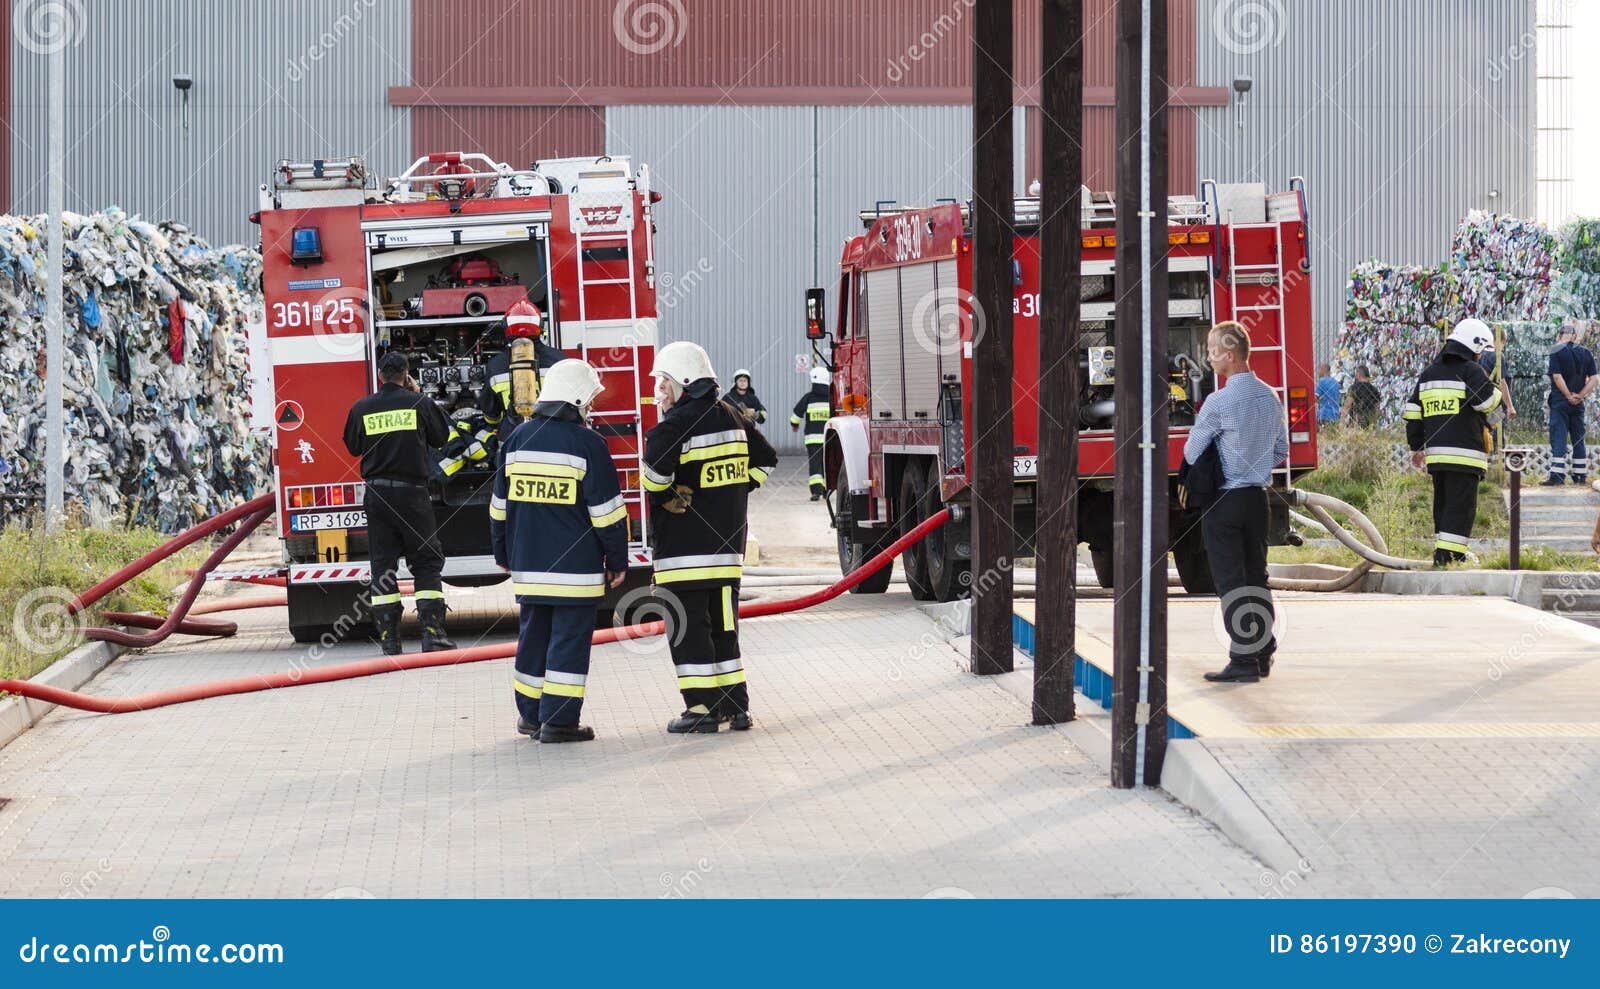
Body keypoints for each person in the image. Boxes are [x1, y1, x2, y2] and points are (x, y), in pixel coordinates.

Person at [643, 341, 778, 734]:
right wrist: (737, 490)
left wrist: (672, 496)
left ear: (684, 384)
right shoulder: (734, 418)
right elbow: (767, 460)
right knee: (724, 628)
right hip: (727, 553)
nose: (660, 392)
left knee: (689, 632)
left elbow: (653, 478)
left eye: (665, 384)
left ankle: (701, 709)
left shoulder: (673, 426)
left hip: (684, 555)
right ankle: (736, 708)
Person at [490, 359, 628, 743]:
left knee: (532, 639)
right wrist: (617, 560)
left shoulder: (517, 439)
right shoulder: (589, 444)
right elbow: (606, 513)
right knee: (568, 642)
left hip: (529, 567)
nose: (591, 408)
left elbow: (499, 506)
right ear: (577, 398)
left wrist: (503, 553)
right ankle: (560, 722)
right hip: (575, 571)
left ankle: (530, 717)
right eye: (590, 400)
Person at [1184, 322, 1288, 685]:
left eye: (1212, 349)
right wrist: (1253, 463)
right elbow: (1281, 451)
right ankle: (1261, 651)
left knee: (1231, 580)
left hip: (1225, 501)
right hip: (1257, 501)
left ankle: (1243, 658)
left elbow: (1191, 451)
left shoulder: (1219, 401)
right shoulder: (1270, 396)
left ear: (1228, 355)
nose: (1208, 356)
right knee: (1256, 576)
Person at [342, 350, 456, 655]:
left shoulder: (361, 408)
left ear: (380, 376)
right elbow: (442, 437)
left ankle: (389, 641)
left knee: (383, 565)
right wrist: (419, 396)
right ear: (406, 374)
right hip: (412, 494)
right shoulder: (419, 403)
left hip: (377, 495)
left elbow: (352, 446)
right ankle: (432, 634)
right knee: (426, 561)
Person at [1403, 317, 1500, 565]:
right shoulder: (1471, 371)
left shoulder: (1428, 374)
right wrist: (1497, 388)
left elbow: (1413, 413)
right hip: (1465, 455)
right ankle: (1447, 558)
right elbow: (1487, 403)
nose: (1481, 356)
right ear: (1475, 346)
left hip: (1436, 457)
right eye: (1481, 351)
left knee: (1444, 507)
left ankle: (1447, 554)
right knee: (1461, 508)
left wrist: (1416, 447)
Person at [480, 300, 565, 441]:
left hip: (514, 437)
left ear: (506, 327)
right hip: (555, 435)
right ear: (540, 326)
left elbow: (491, 412)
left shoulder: (495, 365)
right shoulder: (559, 359)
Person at [1543, 323, 1598, 486]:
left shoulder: (1556, 350)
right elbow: (1595, 379)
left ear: (1560, 336)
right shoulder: (1586, 352)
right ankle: (1580, 476)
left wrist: (1567, 395)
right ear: (1574, 336)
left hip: (1561, 402)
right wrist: (1580, 396)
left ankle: (1557, 477)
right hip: (1578, 404)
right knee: (1578, 438)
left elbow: (1557, 377)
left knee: (1559, 437)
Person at [791, 366, 832, 500]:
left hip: (812, 440)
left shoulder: (808, 398)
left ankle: (816, 492)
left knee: (815, 465)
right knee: (827, 464)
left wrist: (794, 425)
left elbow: (796, 413)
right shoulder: (832, 399)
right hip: (829, 440)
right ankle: (827, 490)